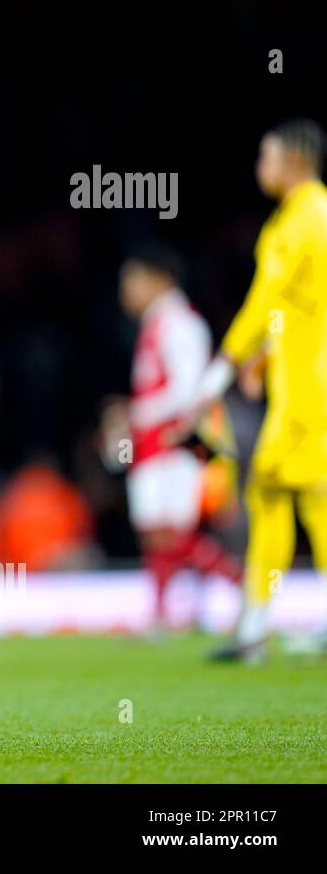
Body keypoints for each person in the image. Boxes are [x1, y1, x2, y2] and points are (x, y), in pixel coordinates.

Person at [188, 119, 327, 662]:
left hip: (310, 390)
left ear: (292, 160)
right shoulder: (299, 218)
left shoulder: (304, 220)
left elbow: (265, 300)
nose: (259, 168)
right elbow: (295, 306)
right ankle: (254, 626)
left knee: (283, 489)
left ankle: (254, 628)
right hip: (299, 383)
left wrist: (222, 367)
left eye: (266, 157)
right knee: (290, 494)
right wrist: (266, 355)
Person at [106, 244, 242, 633]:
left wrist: (136, 413)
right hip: (153, 443)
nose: (126, 291)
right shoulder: (156, 324)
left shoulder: (182, 324)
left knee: (170, 533)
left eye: (131, 281)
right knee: (155, 532)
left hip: (177, 441)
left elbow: (189, 391)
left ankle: (243, 586)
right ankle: (162, 613)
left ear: (156, 280)